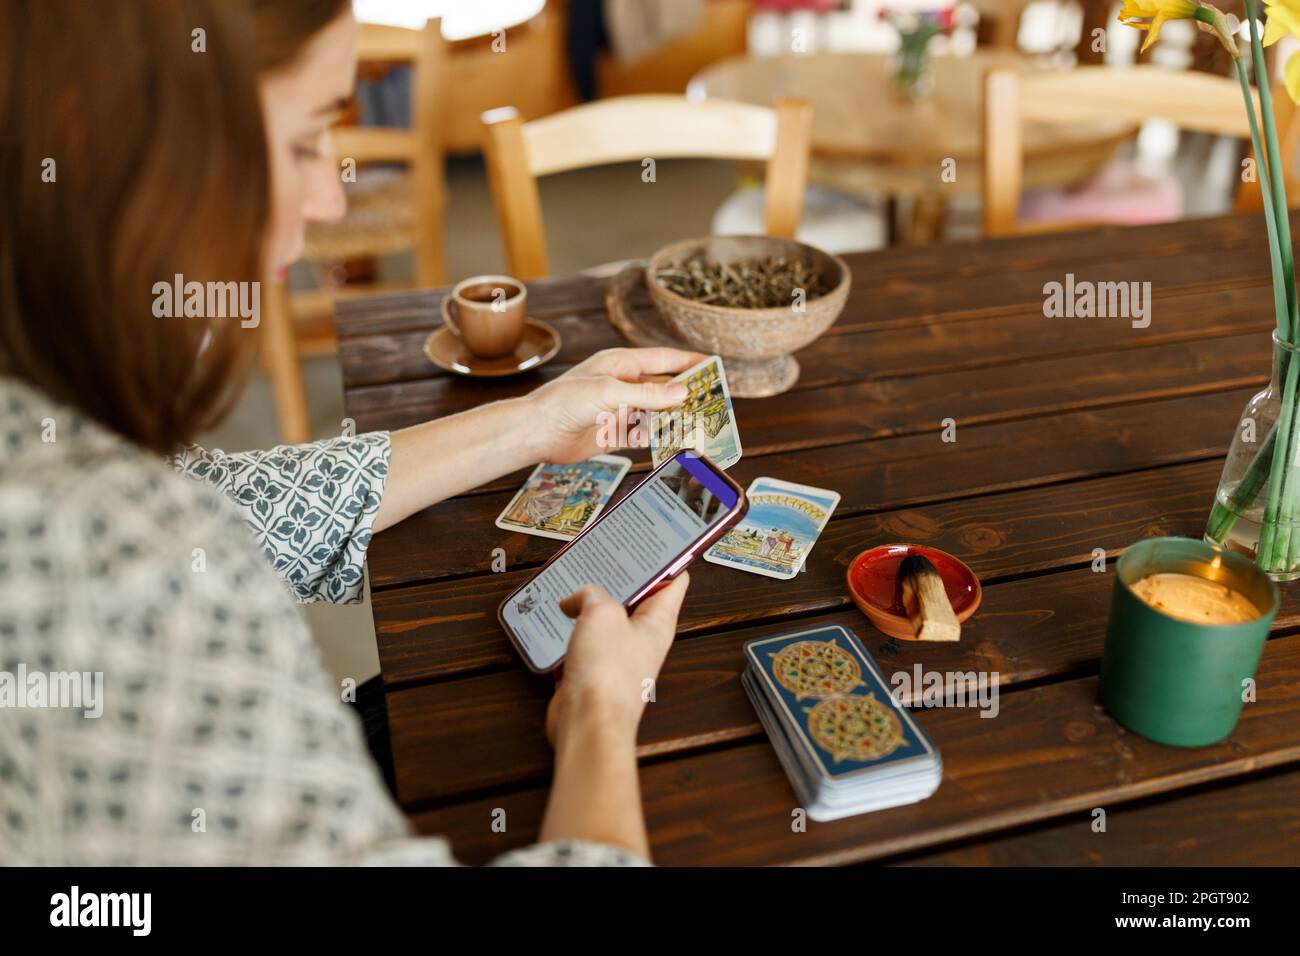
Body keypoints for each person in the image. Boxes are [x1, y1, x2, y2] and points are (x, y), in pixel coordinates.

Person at [0, 0, 705, 865]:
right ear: (116, 152)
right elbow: (173, 536)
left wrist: (534, 421)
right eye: (304, 143)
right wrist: (601, 710)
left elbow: (227, 506)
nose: (333, 197)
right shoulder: (122, 565)